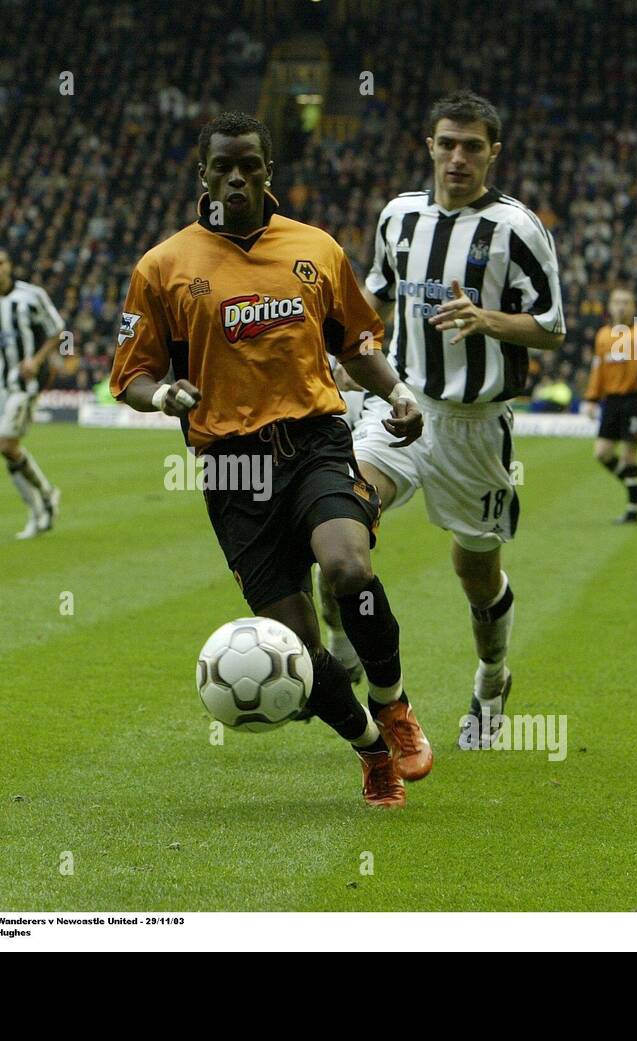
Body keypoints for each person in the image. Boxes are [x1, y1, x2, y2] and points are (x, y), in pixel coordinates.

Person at [111, 112, 431, 807]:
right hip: (231, 467)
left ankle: (395, 702)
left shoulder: (315, 248)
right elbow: (129, 374)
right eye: (223, 165)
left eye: (249, 164)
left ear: (268, 171)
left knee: (349, 565)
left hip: (314, 439)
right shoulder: (162, 267)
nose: (236, 176)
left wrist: (400, 392)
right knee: (297, 645)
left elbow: (358, 342)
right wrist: (163, 393)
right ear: (203, 175)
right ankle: (370, 747)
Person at [325, 90, 565, 751]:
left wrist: (488, 319)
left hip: (476, 424)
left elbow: (552, 326)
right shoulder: (398, 218)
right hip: (403, 405)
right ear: (429, 145)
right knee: (340, 524)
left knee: (475, 572)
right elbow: (373, 293)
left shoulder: (518, 229)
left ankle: (492, 678)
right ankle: (345, 653)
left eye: (472, 146)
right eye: (447, 143)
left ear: (493, 152)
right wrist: (352, 356)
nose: (457, 156)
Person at [0, 247, 64, 539]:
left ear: (10, 266)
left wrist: (37, 360)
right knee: (9, 453)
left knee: (6, 444)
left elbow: (57, 330)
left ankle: (42, 500)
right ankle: (42, 504)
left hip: (25, 384)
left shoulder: (32, 296)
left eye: (0, 263)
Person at [582, 287, 637, 523]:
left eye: (626, 302)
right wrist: (591, 399)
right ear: (610, 306)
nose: (621, 306)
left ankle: (633, 510)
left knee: (630, 456)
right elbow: (598, 370)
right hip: (611, 401)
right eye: (617, 302)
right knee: (602, 453)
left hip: (635, 400)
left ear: (633, 307)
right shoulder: (603, 336)